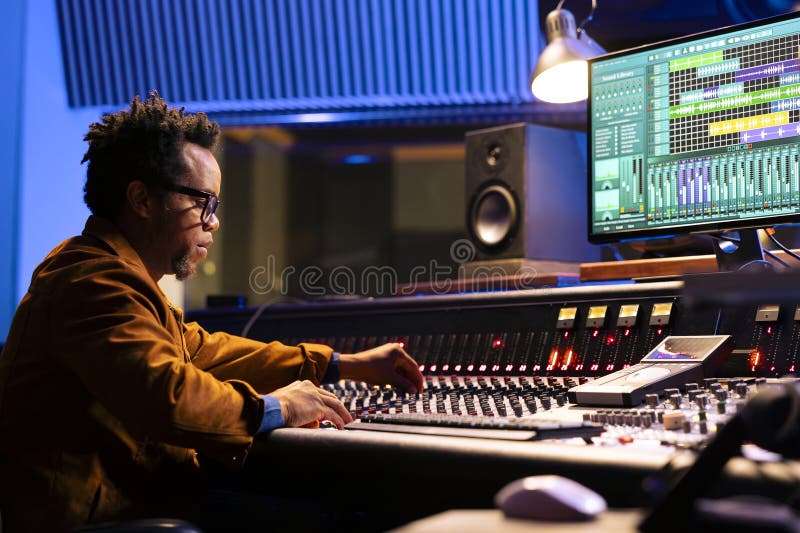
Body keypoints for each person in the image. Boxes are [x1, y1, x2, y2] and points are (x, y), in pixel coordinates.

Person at [0, 92, 424, 533]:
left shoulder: (117, 278)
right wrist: (278, 407)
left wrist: (341, 364)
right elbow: (170, 395)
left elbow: (205, 352)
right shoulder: (90, 282)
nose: (213, 221)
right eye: (204, 202)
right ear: (142, 199)